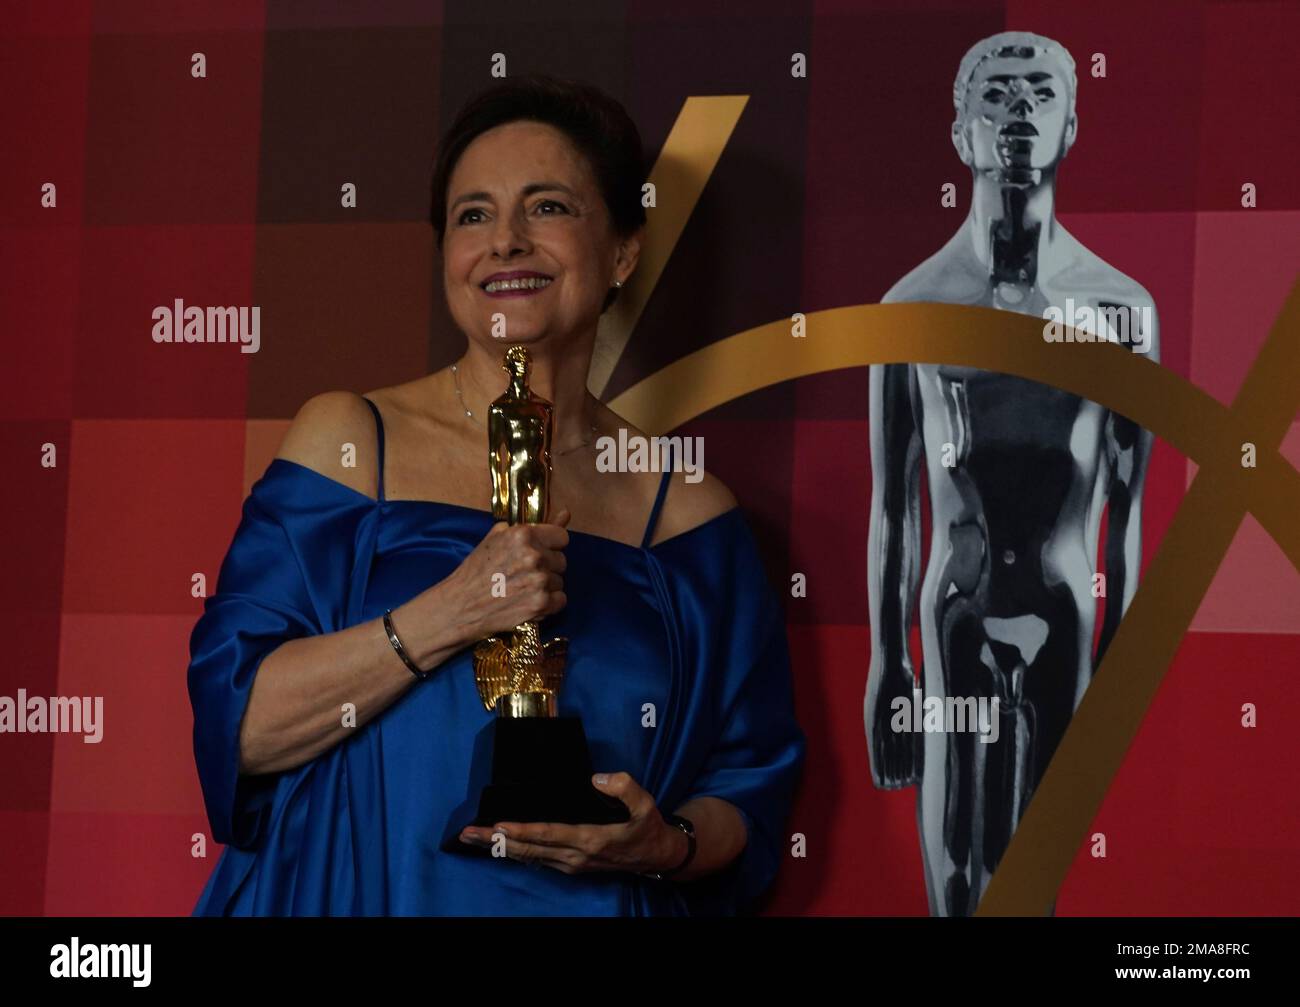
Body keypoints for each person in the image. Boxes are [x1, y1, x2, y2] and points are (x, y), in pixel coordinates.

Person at [187, 74, 806, 916]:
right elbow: (243, 727)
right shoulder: (350, 442)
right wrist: (453, 611)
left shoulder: (692, 514)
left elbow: (749, 785)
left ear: (624, 251)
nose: (505, 241)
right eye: (473, 215)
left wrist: (666, 845)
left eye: (547, 207)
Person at [863, 32, 1159, 916]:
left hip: (1065, 610)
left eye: (1040, 91)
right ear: (962, 132)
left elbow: (1128, 508)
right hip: (956, 610)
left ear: (1070, 124)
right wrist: (888, 664)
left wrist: (1123, 666)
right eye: (997, 93)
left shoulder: (1119, 309)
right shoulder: (911, 308)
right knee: (953, 876)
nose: (1019, 108)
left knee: (1037, 875)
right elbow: (896, 505)